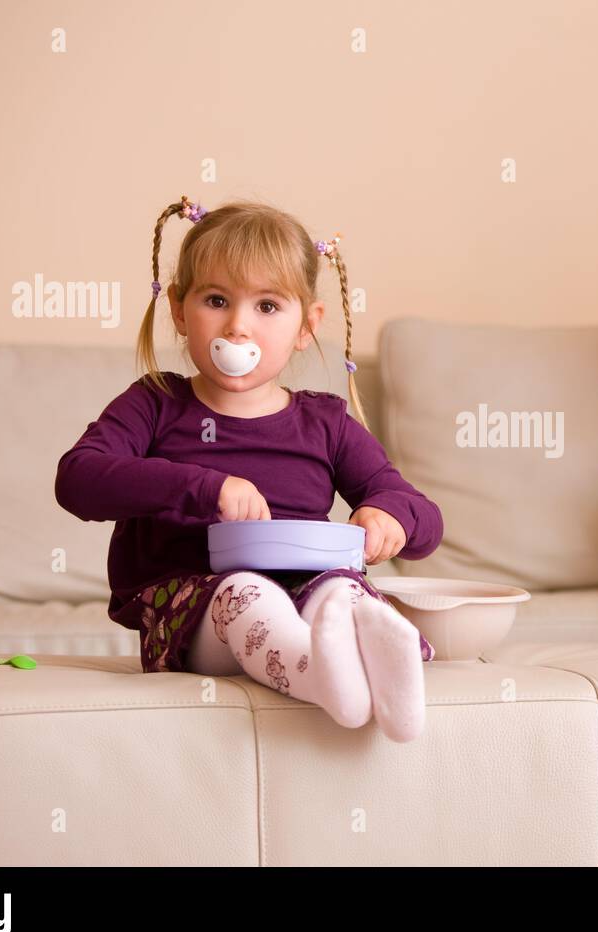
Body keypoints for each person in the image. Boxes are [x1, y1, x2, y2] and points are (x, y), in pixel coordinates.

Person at [56, 198, 443, 742]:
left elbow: (421, 515)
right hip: (191, 613)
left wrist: (389, 516)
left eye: (266, 306)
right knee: (248, 593)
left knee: (342, 593)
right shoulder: (155, 404)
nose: (238, 327)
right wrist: (199, 486)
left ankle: (381, 670)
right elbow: (78, 479)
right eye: (217, 300)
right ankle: (323, 677)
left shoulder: (324, 422)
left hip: (306, 589)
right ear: (179, 309)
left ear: (306, 326)